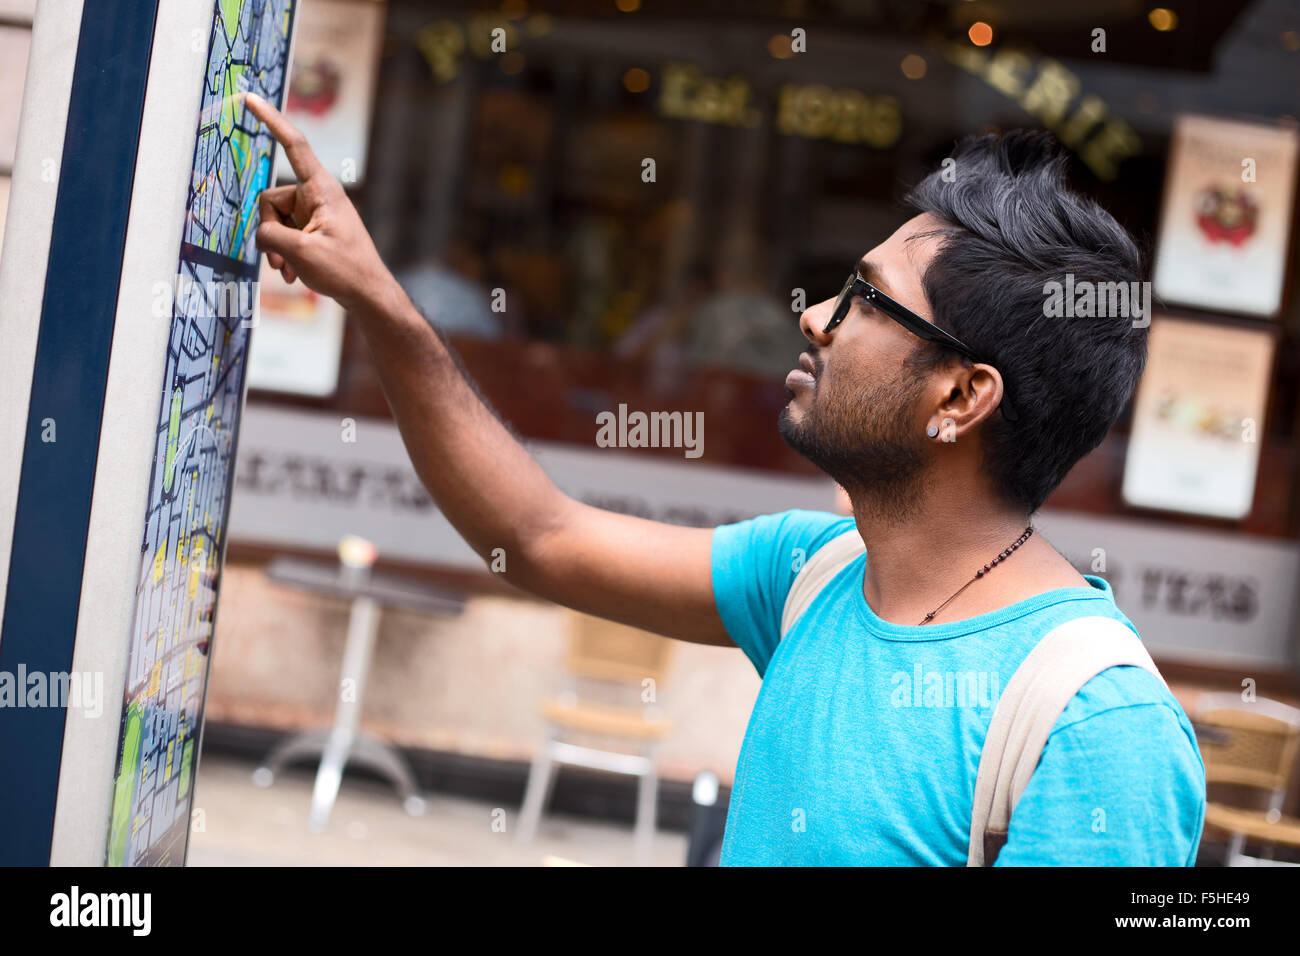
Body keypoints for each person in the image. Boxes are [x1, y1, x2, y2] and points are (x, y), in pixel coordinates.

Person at [244, 92, 1205, 866]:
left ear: (961, 396)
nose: (817, 316)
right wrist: (380, 301)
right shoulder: (815, 573)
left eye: (867, 300)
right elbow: (540, 537)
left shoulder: (1098, 729)